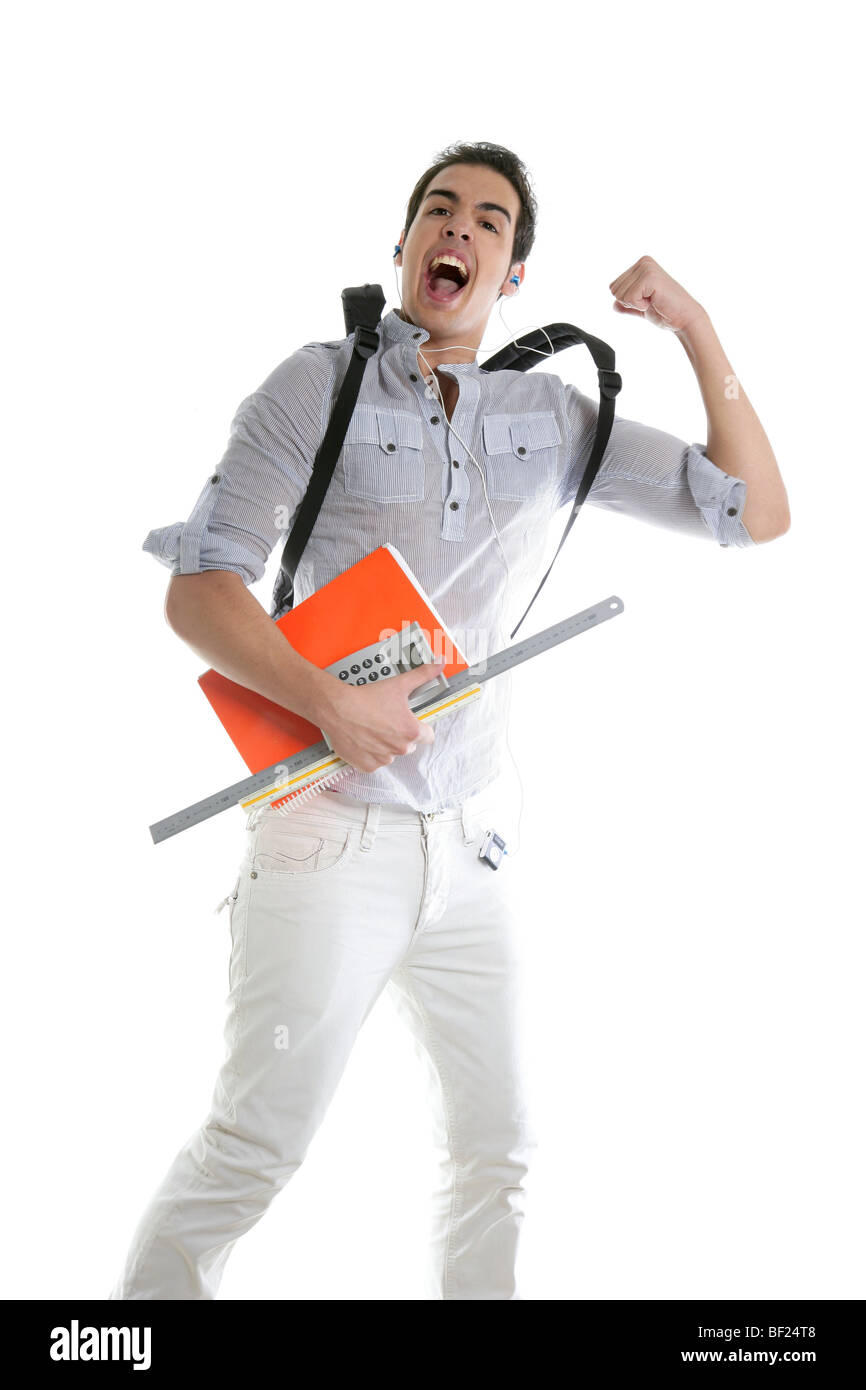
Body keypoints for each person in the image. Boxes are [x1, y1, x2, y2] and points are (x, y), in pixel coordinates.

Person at [109, 140, 790, 1302]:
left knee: (498, 1154)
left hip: (474, 840)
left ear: (509, 272)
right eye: (440, 210)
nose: (459, 231)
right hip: (325, 835)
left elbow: (753, 514)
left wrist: (693, 325)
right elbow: (200, 587)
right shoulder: (311, 386)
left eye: (487, 221)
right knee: (252, 1152)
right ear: (406, 246)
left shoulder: (555, 417)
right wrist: (327, 702)